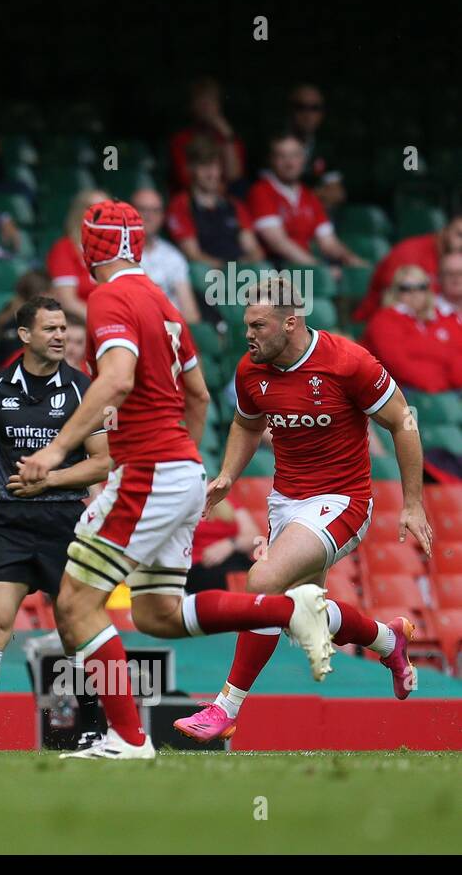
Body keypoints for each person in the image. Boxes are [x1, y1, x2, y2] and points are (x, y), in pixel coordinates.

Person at [19, 201, 418, 760]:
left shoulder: (110, 298)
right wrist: (213, 472)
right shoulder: (164, 304)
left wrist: (56, 451)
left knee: (77, 605)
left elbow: (116, 378)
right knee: (153, 615)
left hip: (252, 484)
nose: (249, 333)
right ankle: (373, 635)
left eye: (259, 324)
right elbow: (205, 398)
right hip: (198, 473)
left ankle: (142, 735)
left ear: (92, 246)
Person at [174, 275, 431, 742]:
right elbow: (246, 424)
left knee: (263, 580)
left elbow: (402, 421)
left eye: (257, 325)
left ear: (290, 323)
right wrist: (230, 475)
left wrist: (413, 504)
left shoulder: (348, 362)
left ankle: (224, 708)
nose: (247, 334)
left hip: (343, 501)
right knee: (298, 617)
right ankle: (387, 639)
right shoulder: (251, 370)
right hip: (285, 502)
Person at [0, 296, 111, 749]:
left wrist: (50, 478)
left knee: (74, 628)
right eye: (51, 329)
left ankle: (94, 726)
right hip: (12, 524)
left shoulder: (84, 390)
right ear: (25, 335)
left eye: (63, 329)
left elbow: (102, 464)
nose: (61, 336)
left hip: (66, 523)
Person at [246, 133, 365, 269]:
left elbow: (329, 243)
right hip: (276, 269)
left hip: (306, 268)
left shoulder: (309, 197)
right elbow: (278, 243)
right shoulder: (261, 191)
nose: (290, 163)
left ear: (303, 159)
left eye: (295, 155)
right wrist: (319, 268)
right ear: (271, 160)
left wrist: (352, 260)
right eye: (282, 156)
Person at [361, 265, 462, 393]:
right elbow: (398, 364)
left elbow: (457, 353)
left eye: (421, 287)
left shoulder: (440, 317)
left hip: (444, 389)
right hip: (397, 392)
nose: (414, 293)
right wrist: (440, 383)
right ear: (395, 291)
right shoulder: (384, 320)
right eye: (406, 288)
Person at [166, 138, 265, 268]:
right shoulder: (180, 205)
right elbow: (193, 254)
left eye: (214, 166)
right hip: (209, 273)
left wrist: (244, 265)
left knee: (264, 269)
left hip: (239, 268)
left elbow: (253, 249)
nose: (211, 174)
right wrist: (228, 269)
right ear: (190, 169)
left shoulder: (233, 205)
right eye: (204, 167)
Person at [356, 213, 462, 321]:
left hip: (432, 325)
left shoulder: (453, 258)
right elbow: (397, 300)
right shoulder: (410, 253)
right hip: (387, 322)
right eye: (459, 235)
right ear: (444, 231)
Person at [131, 187, 200, 321]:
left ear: (162, 216)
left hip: (172, 331)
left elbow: (190, 312)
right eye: (143, 209)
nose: (149, 216)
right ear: (130, 213)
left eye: (155, 211)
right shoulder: (117, 253)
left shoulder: (172, 256)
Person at [168, 78, 246, 193]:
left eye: (211, 100)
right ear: (192, 105)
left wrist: (226, 133)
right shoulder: (181, 139)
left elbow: (234, 176)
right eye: (201, 100)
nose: (206, 106)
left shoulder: (229, 139)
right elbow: (185, 180)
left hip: (225, 197)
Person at [45, 188, 110, 320]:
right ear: (79, 212)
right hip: (80, 326)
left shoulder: (115, 252)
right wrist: (105, 322)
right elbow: (68, 302)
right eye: (92, 207)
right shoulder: (64, 249)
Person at [185, 495, 262, 594]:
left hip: (235, 559)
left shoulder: (227, 499)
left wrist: (230, 544)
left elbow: (254, 536)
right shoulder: (182, 502)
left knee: (259, 575)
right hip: (200, 565)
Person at [285, 84, 344, 211]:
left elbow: (337, 194)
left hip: (311, 214)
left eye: (315, 108)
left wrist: (301, 196)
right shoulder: (275, 145)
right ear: (290, 110)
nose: (308, 115)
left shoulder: (325, 147)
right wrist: (317, 193)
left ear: (322, 113)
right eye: (301, 107)